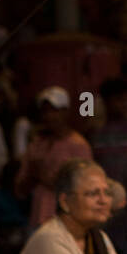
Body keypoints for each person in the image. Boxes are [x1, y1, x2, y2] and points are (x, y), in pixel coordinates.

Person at [15, 87, 92, 228]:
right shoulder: (36, 143)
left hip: (67, 222)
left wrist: (49, 178)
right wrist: (34, 175)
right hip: (37, 217)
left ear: (65, 112)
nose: (49, 116)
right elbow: (20, 188)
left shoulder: (78, 144)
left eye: (54, 110)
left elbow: (85, 188)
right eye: (45, 111)